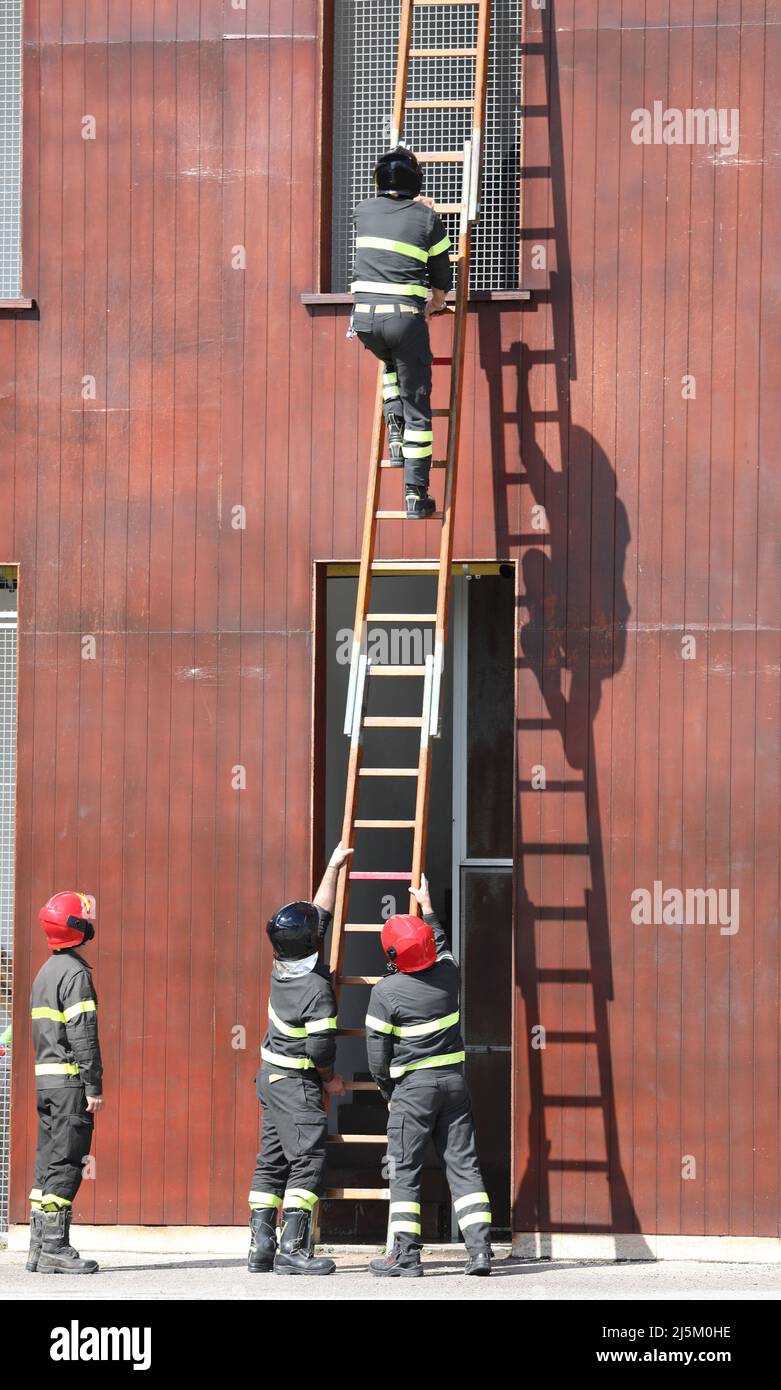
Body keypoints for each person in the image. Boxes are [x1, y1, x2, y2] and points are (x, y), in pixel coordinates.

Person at [364, 875, 492, 1277]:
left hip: (413, 1091)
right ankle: (481, 1252)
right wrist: (429, 904)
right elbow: (442, 945)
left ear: (392, 955)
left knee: (405, 1169)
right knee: (464, 1165)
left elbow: (375, 1056)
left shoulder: (385, 993)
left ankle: (405, 1257)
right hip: (453, 1085)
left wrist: (388, 1089)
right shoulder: (449, 976)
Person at [247, 843, 352, 1276]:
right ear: (311, 944)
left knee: (270, 1161)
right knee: (307, 1159)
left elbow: (318, 915)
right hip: (296, 1084)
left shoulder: (283, 967)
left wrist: (332, 866)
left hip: (270, 1078)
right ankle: (293, 1249)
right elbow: (320, 1050)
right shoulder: (316, 990)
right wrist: (330, 1080)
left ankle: (261, 1248)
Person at [351, 145, 453, 520]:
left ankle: (394, 437)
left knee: (390, 363)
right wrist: (436, 303)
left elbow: (388, 222)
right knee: (419, 407)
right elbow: (442, 276)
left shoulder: (362, 211)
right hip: (403, 320)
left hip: (364, 320)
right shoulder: (427, 219)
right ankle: (415, 493)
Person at [27, 892, 103, 1275]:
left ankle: (39, 1248)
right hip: (71, 1084)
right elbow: (83, 1034)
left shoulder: (44, 972)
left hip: (46, 1085)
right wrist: (93, 1086)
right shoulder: (75, 974)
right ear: (76, 928)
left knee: (47, 1163)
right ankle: (56, 1248)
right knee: (67, 1161)